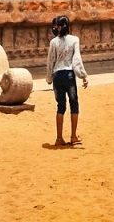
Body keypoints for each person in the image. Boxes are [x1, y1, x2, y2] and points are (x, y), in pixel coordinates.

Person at [46, 14, 89, 147]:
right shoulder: (74, 40)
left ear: (58, 27)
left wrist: (49, 78)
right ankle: (73, 136)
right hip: (69, 75)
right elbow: (76, 60)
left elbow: (50, 61)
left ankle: (59, 138)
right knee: (74, 104)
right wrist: (83, 76)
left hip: (57, 76)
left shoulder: (53, 42)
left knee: (61, 106)